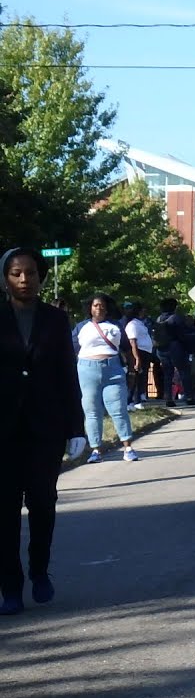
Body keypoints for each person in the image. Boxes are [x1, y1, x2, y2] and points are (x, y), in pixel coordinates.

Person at [0, 248, 87, 615]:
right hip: (3, 430)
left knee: (42, 503)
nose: (25, 280)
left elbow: (68, 374)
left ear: (40, 276)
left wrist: (76, 426)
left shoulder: (55, 319)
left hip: (45, 427)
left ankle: (39, 570)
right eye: (17, 273)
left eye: (31, 273)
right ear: (5, 278)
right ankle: (11, 587)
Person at [73, 293, 138, 463]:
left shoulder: (116, 326)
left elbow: (127, 350)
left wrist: (132, 371)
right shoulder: (81, 327)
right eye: (95, 305)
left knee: (118, 409)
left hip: (113, 369)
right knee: (92, 411)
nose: (99, 308)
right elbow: (70, 348)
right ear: (89, 308)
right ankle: (95, 450)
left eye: (102, 305)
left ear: (107, 307)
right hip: (87, 371)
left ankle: (128, 447)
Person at [153, 298, 195, 407]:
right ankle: (189, 397)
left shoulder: (158, 319)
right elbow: (182, 334)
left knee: (168, 374)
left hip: (161, 349)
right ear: (174, 307)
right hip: (175, 347)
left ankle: (169, 398)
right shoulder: (176, 318)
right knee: (184, 372)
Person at [124, 302, 154, 410]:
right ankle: (132, 400)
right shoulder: (133, 324)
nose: (144, 312)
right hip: (139, 352)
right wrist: (136, 358)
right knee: (136, 377)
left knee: (142, 377)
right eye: (142, 310)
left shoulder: (140, 323)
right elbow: (133, 342)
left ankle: (138, 399)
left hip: (145, 352)